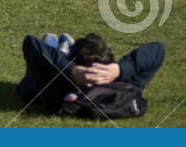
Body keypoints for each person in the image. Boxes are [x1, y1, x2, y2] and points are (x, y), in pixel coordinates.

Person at [17, 31, 166, 115]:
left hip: (40, 83)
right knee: (48, 61)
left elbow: (31, 43)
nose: (94, 80)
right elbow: (158, 50)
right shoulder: (124, 87)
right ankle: (61, 49)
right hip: (62, 74)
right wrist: (120, 70)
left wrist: (69, 69)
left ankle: (60, 49)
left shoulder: (56, 85)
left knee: (44, 64)